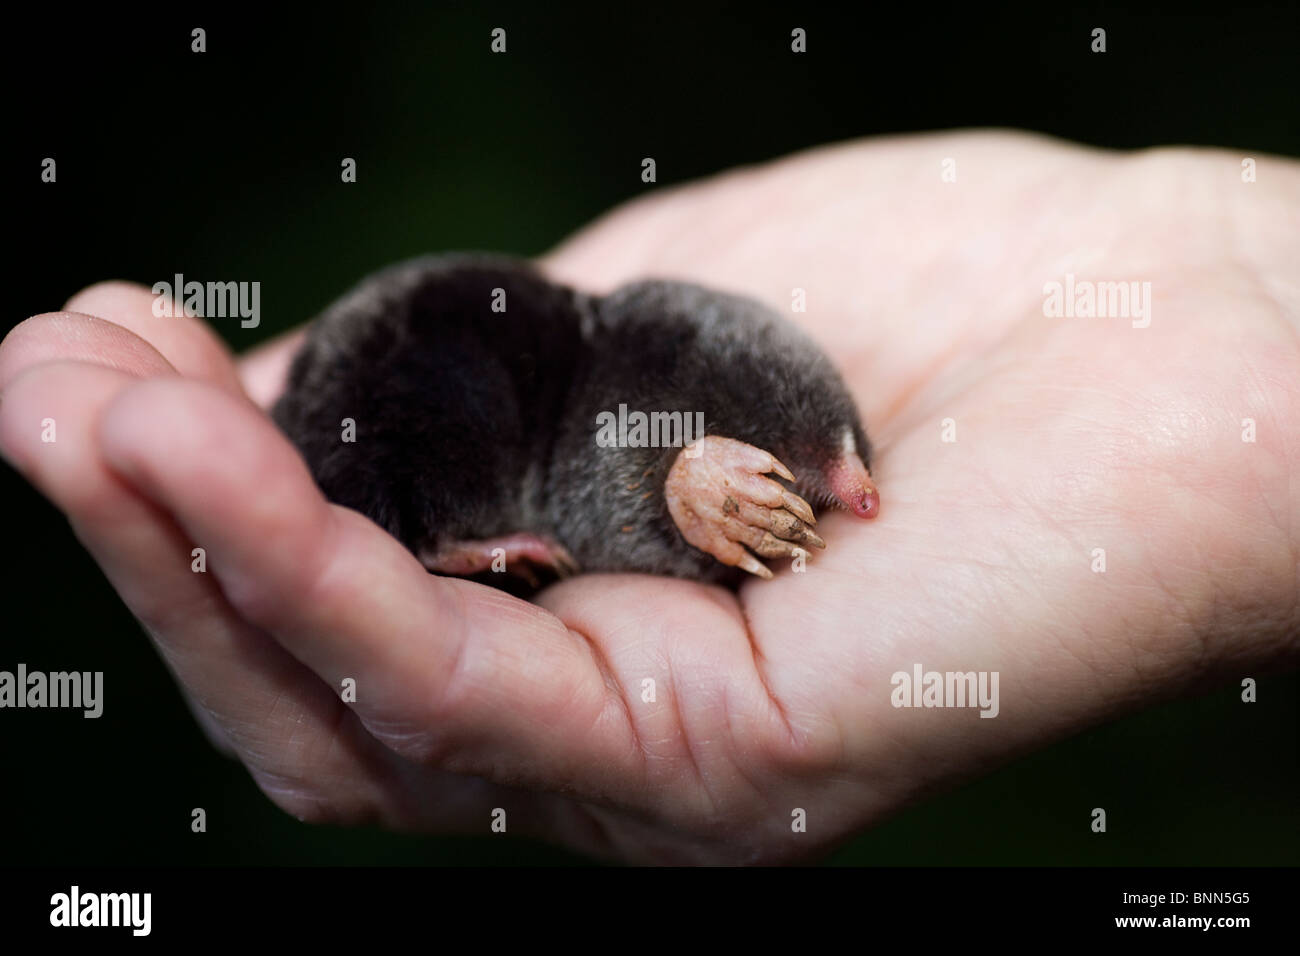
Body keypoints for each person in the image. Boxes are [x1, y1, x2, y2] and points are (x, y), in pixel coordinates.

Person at [1, 131, 1296, 863]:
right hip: (426, 403)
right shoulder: (614, 410)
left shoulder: (681, 365)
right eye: (820, 462)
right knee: (417, 436)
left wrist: (1229, 264)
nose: (851, 493)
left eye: (837, 455)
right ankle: (430, 541)